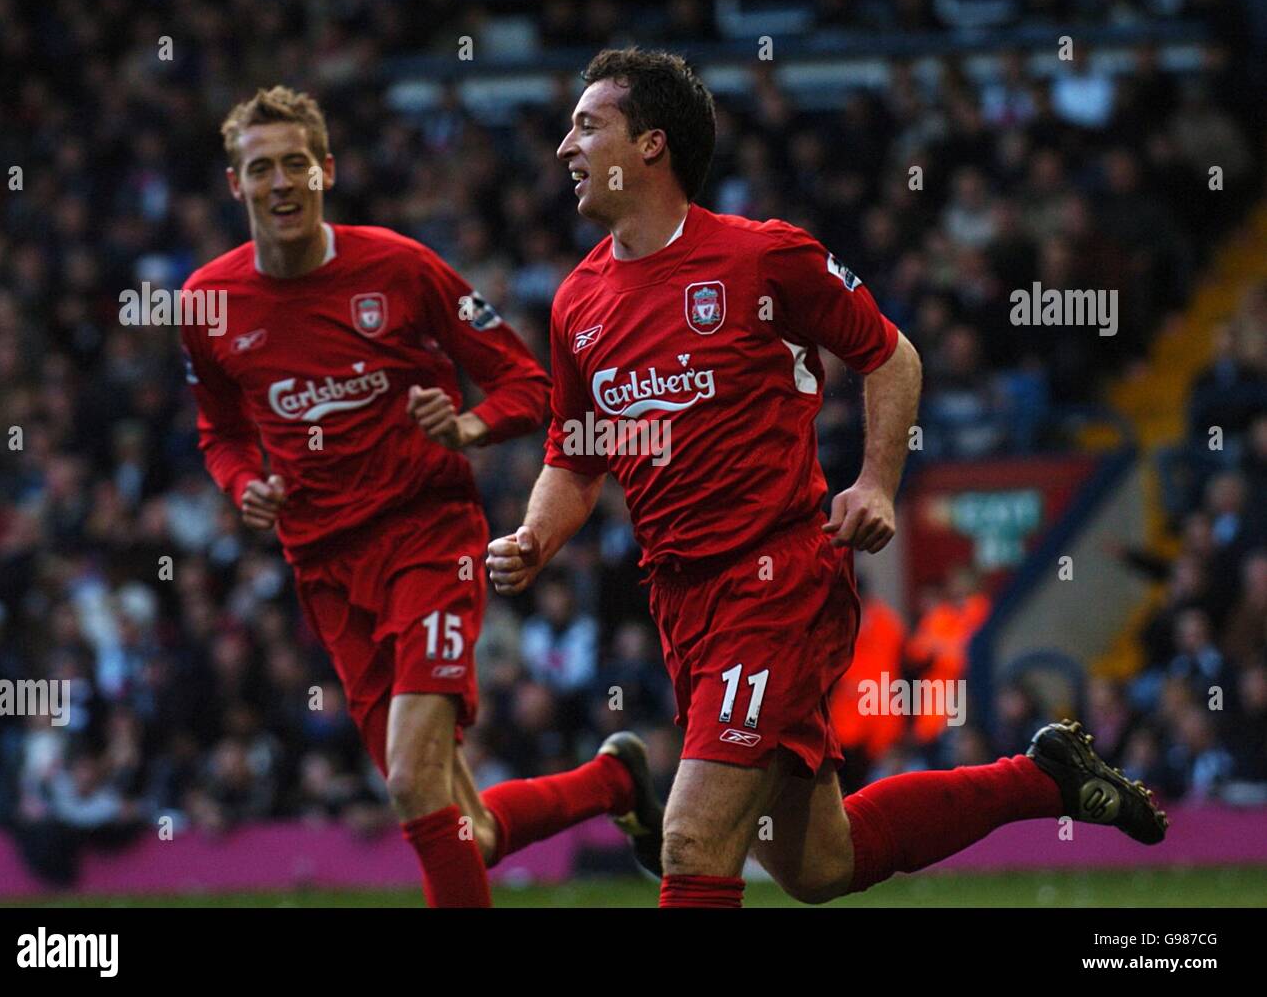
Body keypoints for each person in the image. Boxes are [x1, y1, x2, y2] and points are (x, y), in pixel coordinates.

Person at [487, 48, 1168, 908]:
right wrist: (535, 536)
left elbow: (890, 356)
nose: (564, 147)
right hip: (680, 601)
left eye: (587, 125)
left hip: (775, 578)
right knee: (817, 866)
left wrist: (876, 483)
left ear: (651, 145)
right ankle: (1044, 780)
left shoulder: (761, 258)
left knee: (692, 839)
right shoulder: (576, 303)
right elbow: (575, 454)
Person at [181, 86, 661, 907]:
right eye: (261, 168)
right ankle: (613, 783)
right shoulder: (206, 304)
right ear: (237, 185)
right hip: (324, 566)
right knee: (456, 825)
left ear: (326, 170)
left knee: (410, 782)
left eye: (297, 162)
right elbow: (218, 431)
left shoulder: (400, 269)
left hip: (426, 537)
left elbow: (527, 384)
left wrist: (470, 429)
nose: (281, 181)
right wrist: (241, 483)